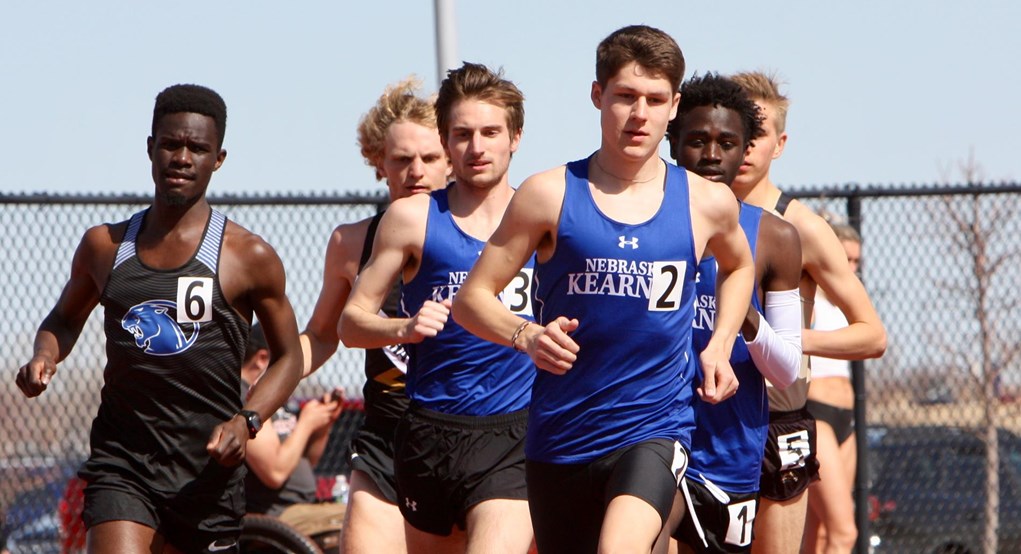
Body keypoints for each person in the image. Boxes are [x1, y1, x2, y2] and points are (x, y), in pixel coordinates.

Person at [453, 26, 755, 554]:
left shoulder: (705, 203)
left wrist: (721, 344)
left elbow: (739, 267)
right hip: (561, 436)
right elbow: (471, 300)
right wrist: (525, 335)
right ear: (598, 96)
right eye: (625, 97)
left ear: (674, 106)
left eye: (655, 100)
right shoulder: (548, 195)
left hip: (655, 426)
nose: (640, 114)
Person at [15, 83, 303, 553]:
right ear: (150, 148)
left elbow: (289, 357)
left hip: (208, 470)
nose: (182, 158)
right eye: (171, 144)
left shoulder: (249, 256)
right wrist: (44, 355)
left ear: (219, 158)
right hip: (123, 462)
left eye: (198, 148)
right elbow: (63, 320)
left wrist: (248, 421)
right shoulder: (105, 246)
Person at [339, 62, 534, 554]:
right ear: (447, 142)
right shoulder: (411, 219)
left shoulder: (545, 214)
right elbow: (350, 323)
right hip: (430, 433)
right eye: (463, 134)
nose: (477, 146)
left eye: (491, 132)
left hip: (515, 431)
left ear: (516, 137)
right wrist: (404, 326)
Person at [728, 71, 886, 554]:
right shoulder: (690, 213)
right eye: (739, 131)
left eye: (760, 134)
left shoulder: (802, 227)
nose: (747, 145)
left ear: (779, 144)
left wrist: (792, 340)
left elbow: (871, 335)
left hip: (778, 415)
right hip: (702, 410)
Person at [299, 76, 449, 554]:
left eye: (430, 158)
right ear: (378, 163)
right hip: (388, 434)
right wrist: (257, 394)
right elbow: (322, 335)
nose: (416, 171)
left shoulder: (491, 237)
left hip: (469, 430)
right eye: (402, 160)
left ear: (452, 160)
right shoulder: (351, 243)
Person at [662, 72, 803, 553]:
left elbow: (785, 371)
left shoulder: (775, 237)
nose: (711, 155)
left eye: (727, 142)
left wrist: (746, 319)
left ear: (746, 150)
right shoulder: (638, 220)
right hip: (646, 434)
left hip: (728, 447)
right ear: (673, 142)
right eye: (697, 140)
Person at [241, 322, 345, 544]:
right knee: (363, 517)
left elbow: (308, 462)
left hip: (302, 509)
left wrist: (322, 426)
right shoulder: (245, 397)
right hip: (277, 516)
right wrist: (305, 424)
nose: (291, 370)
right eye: (284, 361)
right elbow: (275, 473)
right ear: (261, 359)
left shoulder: (272, 397)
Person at [802, 221, 863, 554]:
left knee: (820, 532)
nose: (851, 267)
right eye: (846, 259)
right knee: (844, 532)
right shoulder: (809, 295)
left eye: (856, 262)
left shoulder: (850, 304)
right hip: (817, 416)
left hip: (846, 420)